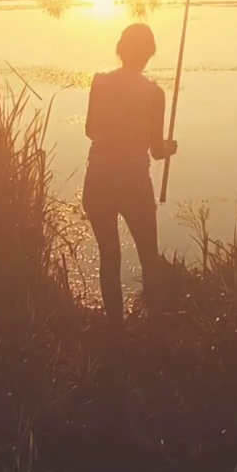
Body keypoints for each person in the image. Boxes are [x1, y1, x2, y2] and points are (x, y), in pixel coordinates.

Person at [83, 23, 178, 323]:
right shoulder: (154, 93)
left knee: (109, 257)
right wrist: (170, 147)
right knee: (148, 256)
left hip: (97, 179)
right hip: (133, 183)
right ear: (149, 54)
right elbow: (157, 151)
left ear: (120, 49)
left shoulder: (99, 83)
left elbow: (90, 130)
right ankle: (156, 325)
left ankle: (116, 329)